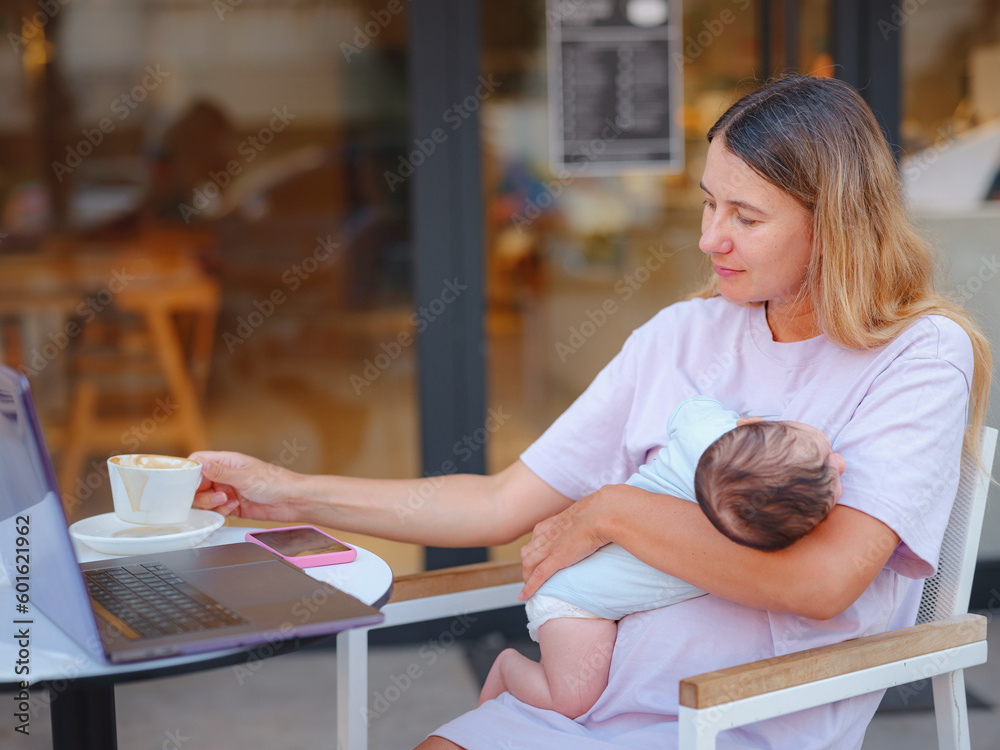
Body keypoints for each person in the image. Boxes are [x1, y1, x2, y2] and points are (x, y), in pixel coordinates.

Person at [190, 75, 991, 749]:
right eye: (709, 205)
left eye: (746, 217)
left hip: (728, 723)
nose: (711, 239)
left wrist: (613, 511)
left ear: (837, 222)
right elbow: (499, 501)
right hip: (577, 706)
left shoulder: (919, 356)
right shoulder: (681, 334)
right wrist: (286, 493)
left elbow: (823, 582)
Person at [479, 396, 846, 719]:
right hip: (574, 601)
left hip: (583, 576)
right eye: (826, 457)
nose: (840, 462)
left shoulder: (708, 436)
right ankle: (507, 668)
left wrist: (729, 423)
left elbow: (688, 408)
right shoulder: (743, 531)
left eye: (830, 476)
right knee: (572, 700)